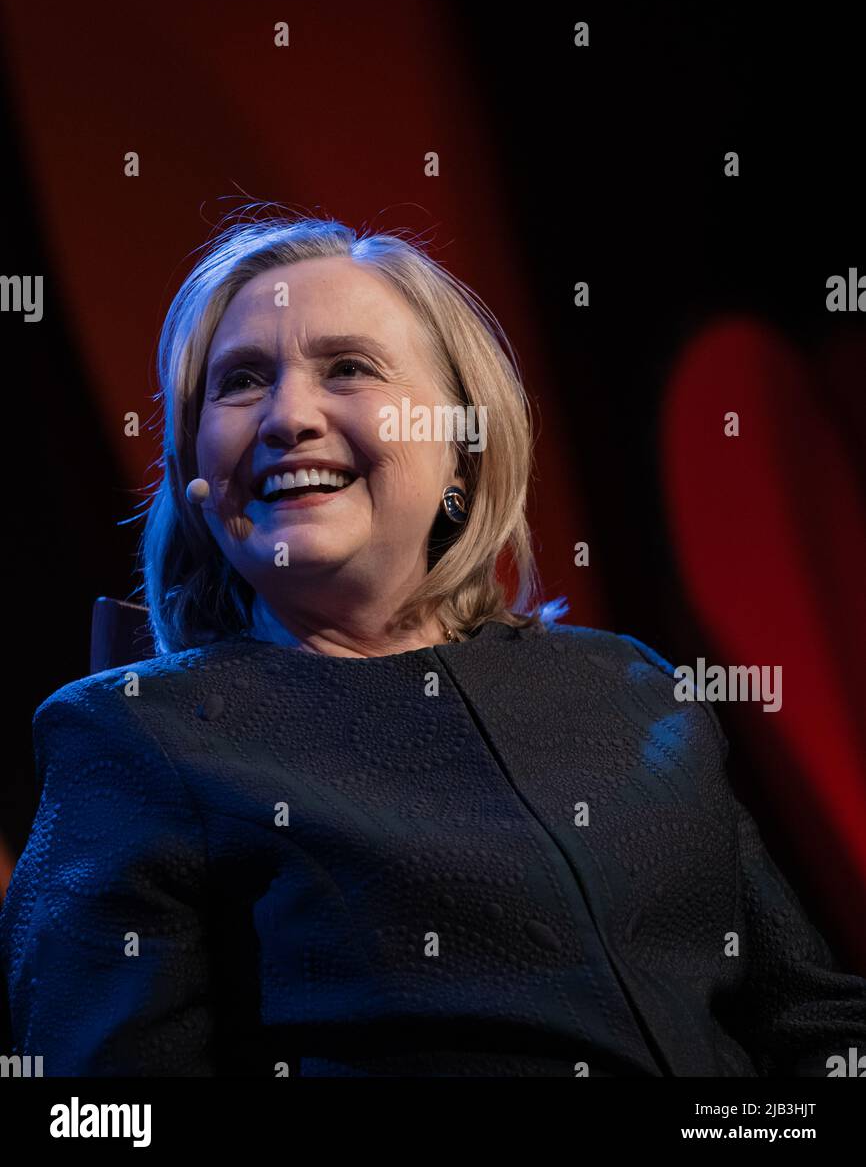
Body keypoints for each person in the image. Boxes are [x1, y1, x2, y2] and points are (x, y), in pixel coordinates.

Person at [2, 208, 865, 1077]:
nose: (287, 416)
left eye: (348, 368)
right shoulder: (134, 738)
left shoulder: (632, 688)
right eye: (239, 382)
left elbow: (812, 1024)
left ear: (462, 445)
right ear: (195, 473)